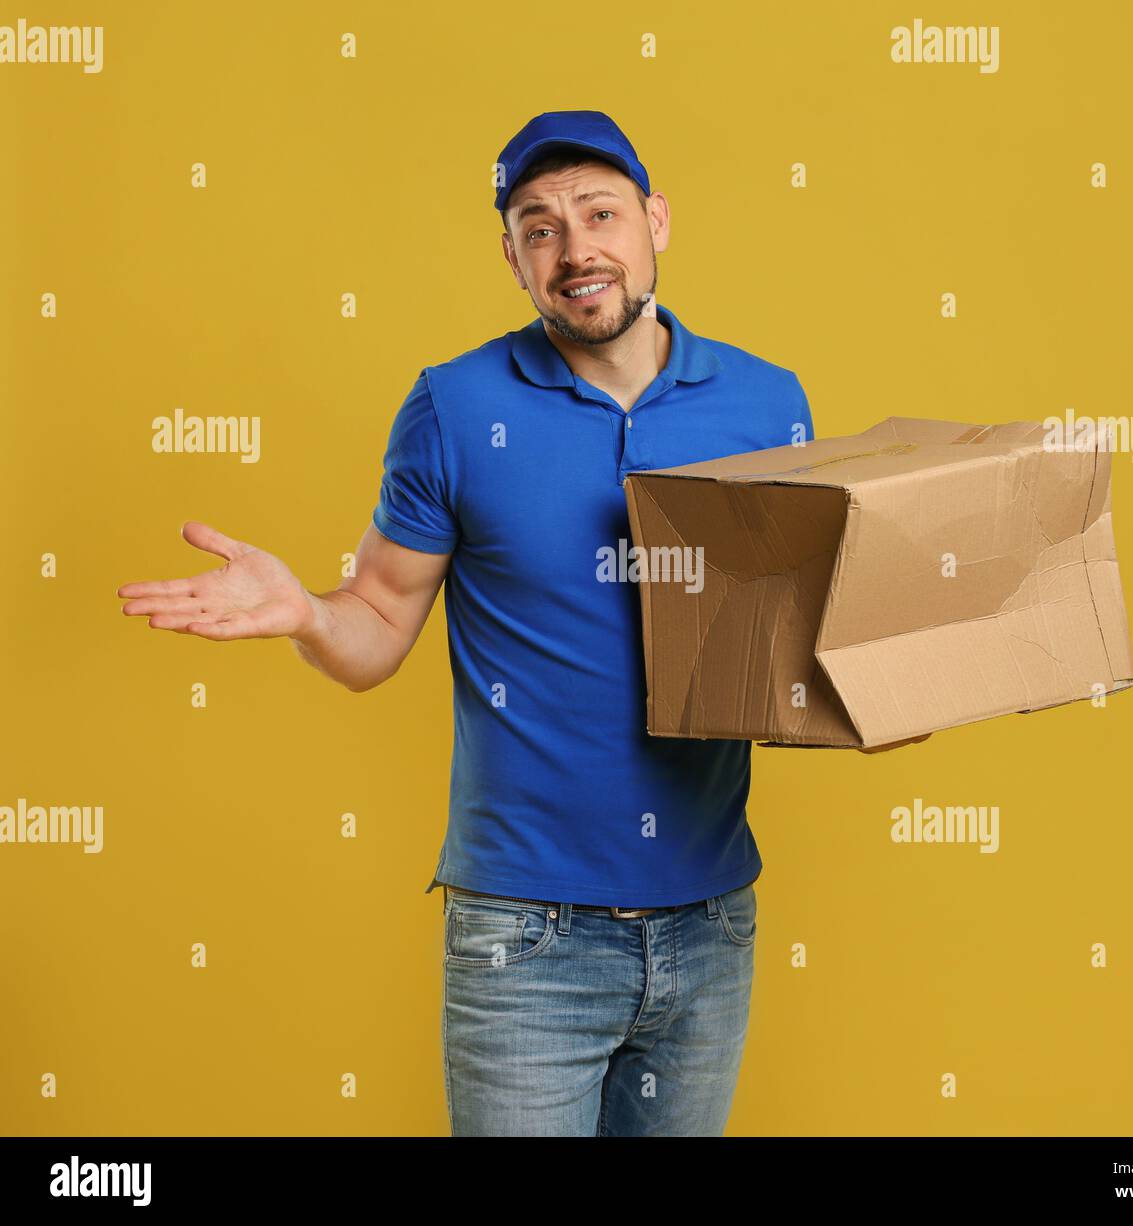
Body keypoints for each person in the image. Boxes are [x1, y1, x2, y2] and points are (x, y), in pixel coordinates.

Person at [117, 110, 925, 1136]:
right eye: (540, 226)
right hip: (523, 937)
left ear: (655, 221)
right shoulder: (454, 406)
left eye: (600, 213)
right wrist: (309, 614)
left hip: (711, 917)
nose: (576, 248)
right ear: (513, 256)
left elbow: (791, 635)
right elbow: (377, 620)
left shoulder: (766, 402)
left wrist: (888, 683)